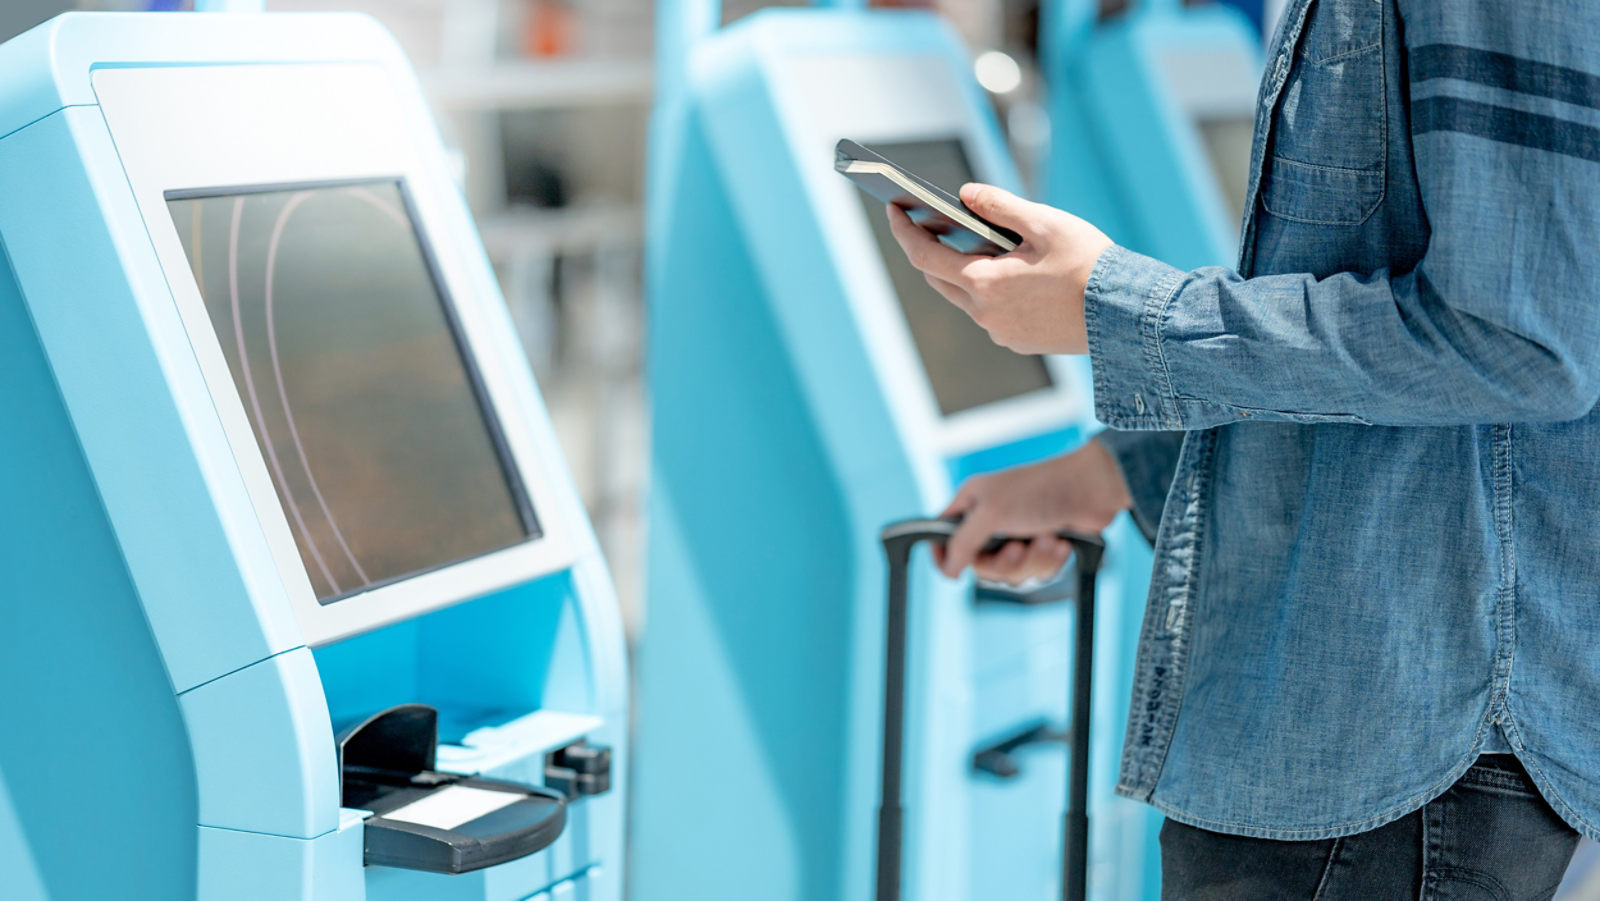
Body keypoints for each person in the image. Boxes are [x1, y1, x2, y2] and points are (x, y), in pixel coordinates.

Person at [885, 1, 1599, 896]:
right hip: (1363, 736)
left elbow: (1517, 342)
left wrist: (1118, 312)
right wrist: (1115, 469)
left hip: (1398, 751)